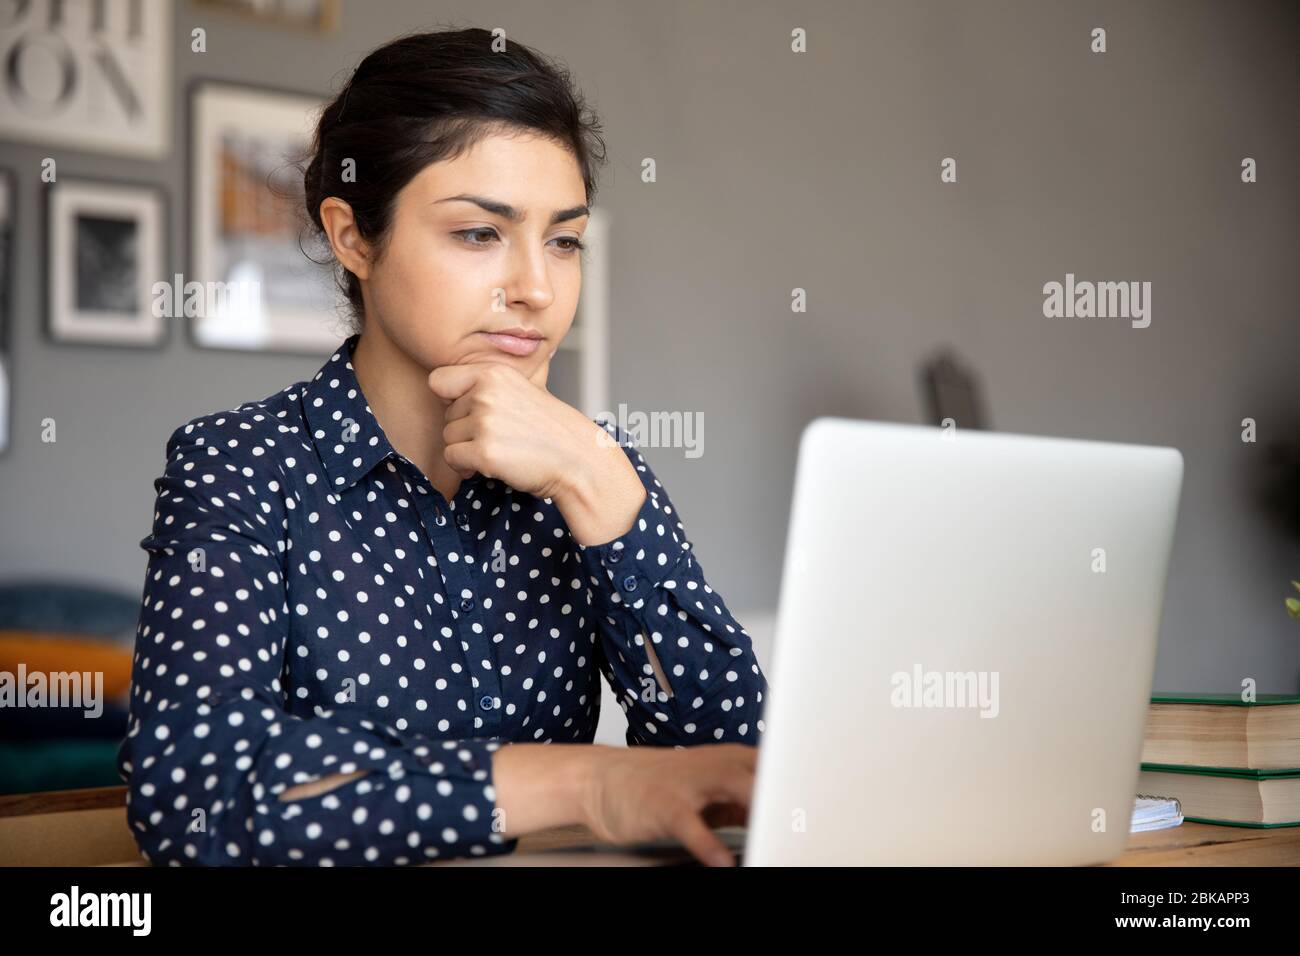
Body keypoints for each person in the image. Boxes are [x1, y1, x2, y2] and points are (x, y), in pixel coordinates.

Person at [116, 27, 767, 867]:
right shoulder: (241, 466)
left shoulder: (591, 466)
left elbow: (729, 776)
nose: (536, 288)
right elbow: (196, 798)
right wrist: (581, 782)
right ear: (354, 237)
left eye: (563, 240)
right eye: (477, 234)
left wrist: (608, 493)